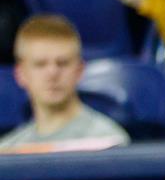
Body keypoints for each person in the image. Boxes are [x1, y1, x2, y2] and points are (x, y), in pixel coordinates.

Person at [0, 14, 127, 151]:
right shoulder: (8, 150)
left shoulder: (108, 141)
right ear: (21, 74)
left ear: (79, 70)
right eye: (40, 64)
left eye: (62, 63)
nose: (52, 74)